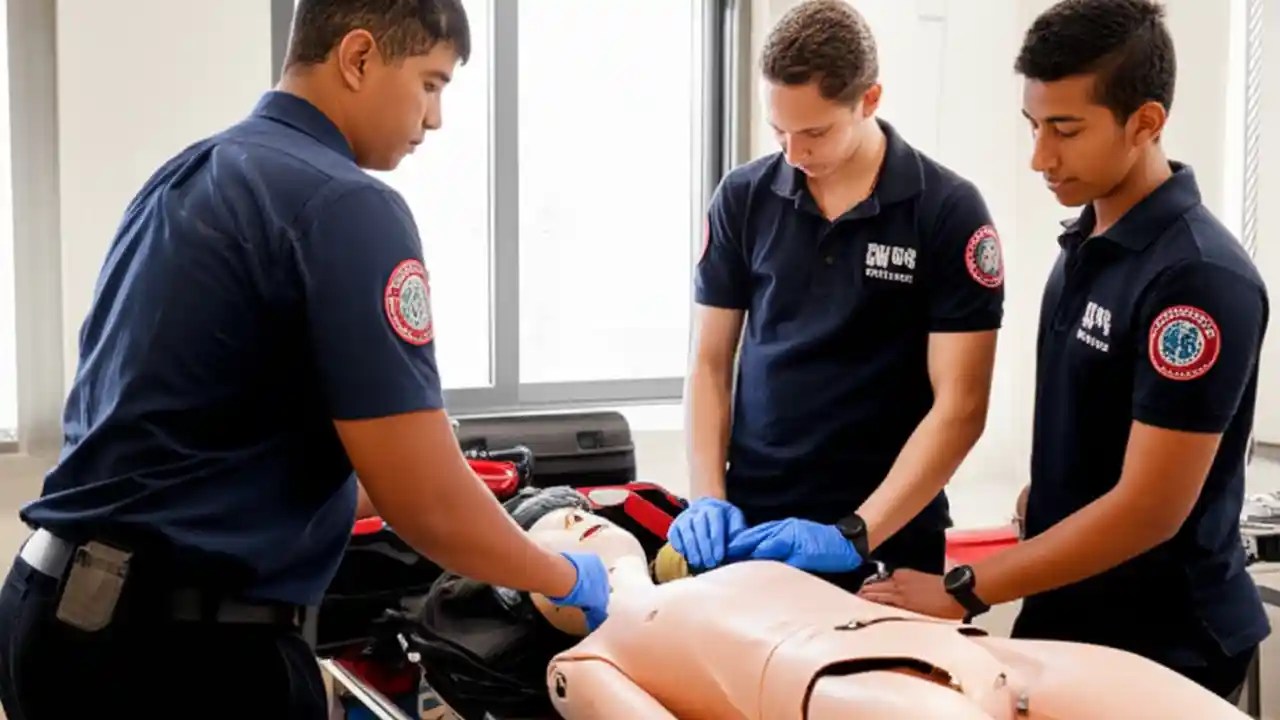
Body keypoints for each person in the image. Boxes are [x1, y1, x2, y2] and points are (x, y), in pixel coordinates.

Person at [0, 2, 608, 718]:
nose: (435, 118)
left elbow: (197, 450)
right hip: (181, 658)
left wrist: (420, 469)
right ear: (357, 58)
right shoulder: (347, 204)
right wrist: (557, 572)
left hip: (51, 617)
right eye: (431, 83)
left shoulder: (185, 178)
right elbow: (426, 505)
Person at [860, 0, 1271, 702]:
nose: (1040, 157)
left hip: (1164, 645)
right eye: (1033, 126)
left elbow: (1149, 508)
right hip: (1071, 616)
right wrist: (1047, 495)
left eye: (1066, 130)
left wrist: (963, 588)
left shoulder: (1197, 279)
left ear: (1146, 122)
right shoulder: (1086, 244)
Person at [673, 0, 1004, 585]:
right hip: (755, 525)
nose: (794, 155)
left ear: (869, 100)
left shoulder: (947, 211)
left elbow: (962, 407)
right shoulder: (742, 198)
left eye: (815, 132)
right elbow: (709, 364)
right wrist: (707, 496)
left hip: (888, 539)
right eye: (779, 131)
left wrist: (859, 531)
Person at [404, 495, 1249, 719]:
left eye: (585, 512)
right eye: (559, 529)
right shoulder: (588, 656)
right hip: (838, 681)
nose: (582, 521)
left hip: (977, 653)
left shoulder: (712, 565)